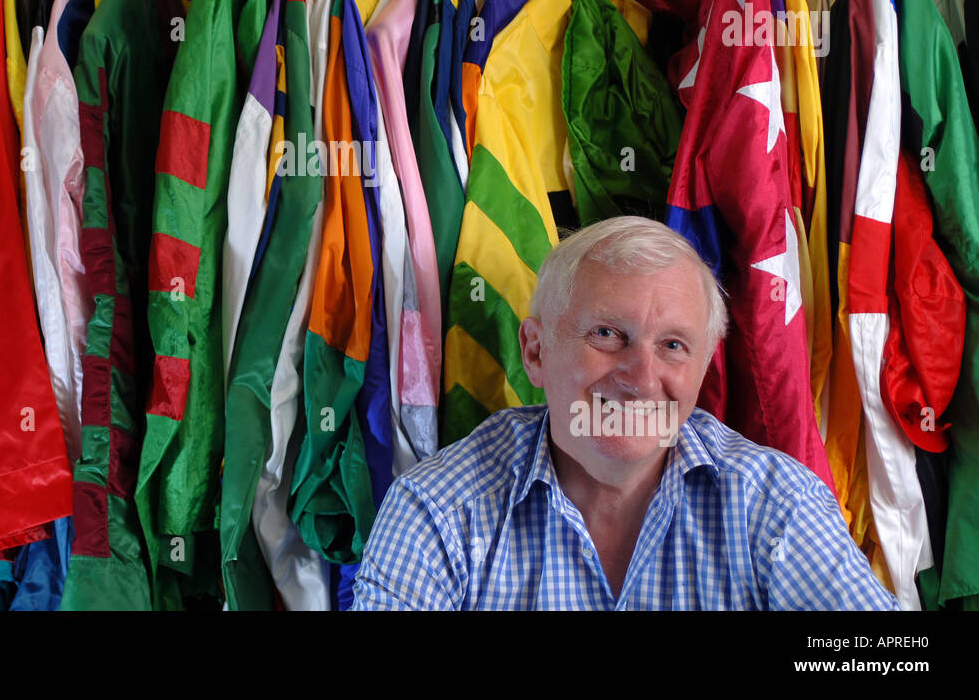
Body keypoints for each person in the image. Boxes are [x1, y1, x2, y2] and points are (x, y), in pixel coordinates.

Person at [350, 216, 900, 610]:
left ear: (703, 369)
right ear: (536, 351)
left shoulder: (774, 503)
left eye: (674, 346)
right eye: (607, 335)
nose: (640, 381)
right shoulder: (438, 511)